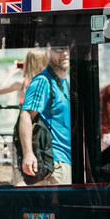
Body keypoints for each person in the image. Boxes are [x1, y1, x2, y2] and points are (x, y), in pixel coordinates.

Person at [18, 37, 71, 186]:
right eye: (59, 49)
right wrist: (28, 154)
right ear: (48, 51)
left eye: (66, 48)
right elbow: (26, 115)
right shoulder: (43, 81)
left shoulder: (66, 83)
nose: (65, 53)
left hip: (69, 162)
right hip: (56, 163)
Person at [0, 49, 48, 186]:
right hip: (42, 128)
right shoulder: (46, 82)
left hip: (23, 126)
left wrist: (12, 71)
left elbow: (1, 89)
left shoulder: (23, 83)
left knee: (20, 168)